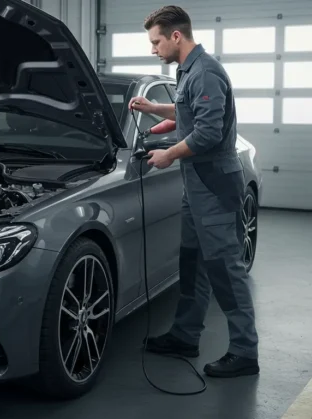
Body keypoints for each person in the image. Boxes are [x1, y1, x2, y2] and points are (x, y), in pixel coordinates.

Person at [128, 5, 260, 378]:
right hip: (197, 184)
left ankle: (245, 352)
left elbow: (208, 132)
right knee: (193, 262)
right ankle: (185, 336)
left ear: (176, 36)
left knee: (225, 270)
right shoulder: (188, 71)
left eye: (156, 42)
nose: (153, 49)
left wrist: (168, 154)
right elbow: (187, 111)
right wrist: (154, 108)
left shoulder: (205, 72)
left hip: (214, 184)